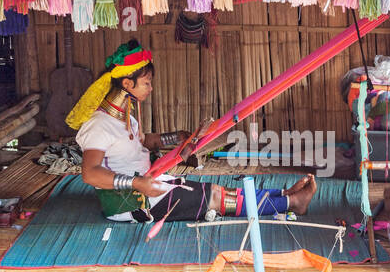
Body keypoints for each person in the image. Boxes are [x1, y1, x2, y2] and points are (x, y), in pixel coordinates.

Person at [67, 40, 316, 222]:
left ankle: (283, 195)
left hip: (149, 183)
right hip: (132, 202)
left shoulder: (125, 117)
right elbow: (90, 174)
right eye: (146, 83)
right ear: (127, 83)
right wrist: (136, 182)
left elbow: (144, 141)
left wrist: (177, 137)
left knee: (216, 191)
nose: (150, 88)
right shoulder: (99, 125)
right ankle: (292, 203)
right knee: (216, 200)